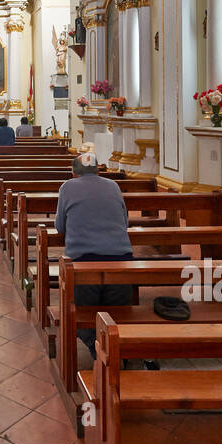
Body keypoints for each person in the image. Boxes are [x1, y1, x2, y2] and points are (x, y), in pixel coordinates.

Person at [54, 152, 142, 361]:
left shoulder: (67, 187)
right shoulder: (113, 186)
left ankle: (99, 349)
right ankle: (117, 349)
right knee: (117, 310)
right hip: (120, 258)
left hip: (84, 261)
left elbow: (60, 227)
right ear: (98, 169)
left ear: (74, 172)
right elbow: (124, 221)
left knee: (84, 311)